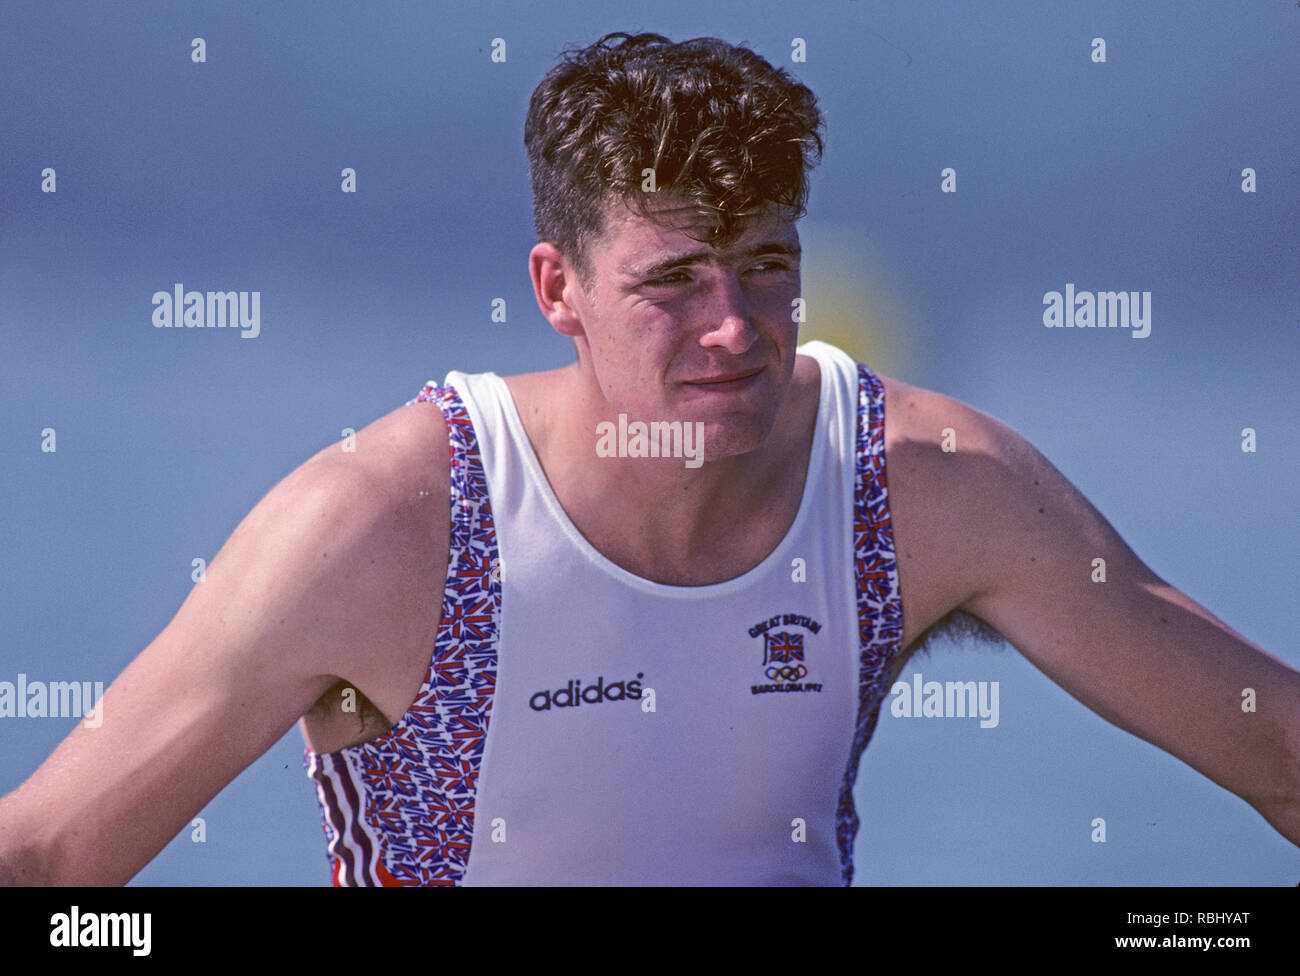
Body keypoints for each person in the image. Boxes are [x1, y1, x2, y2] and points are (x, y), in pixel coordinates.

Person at [1, 31, 1296, 886]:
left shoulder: (918, 487)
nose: (737, 329)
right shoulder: (381, 527)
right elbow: (56, 860)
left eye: (771, 267)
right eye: (673, 283)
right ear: (556, 289)